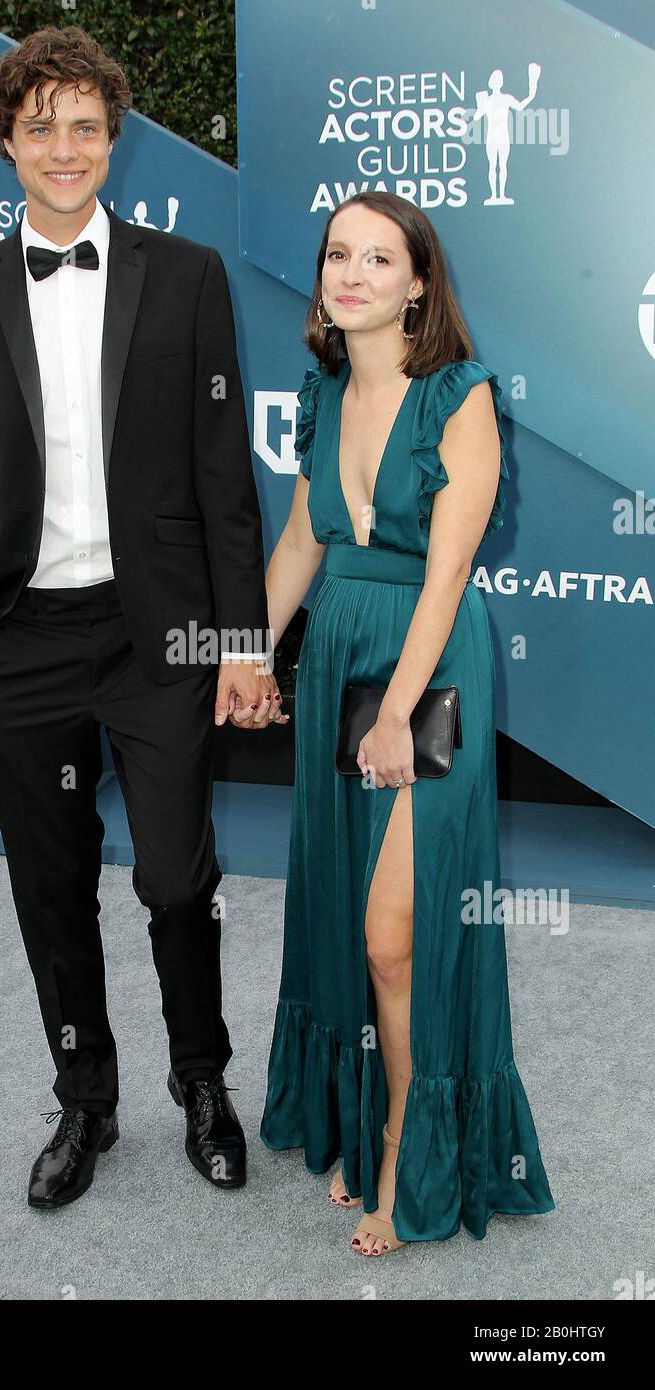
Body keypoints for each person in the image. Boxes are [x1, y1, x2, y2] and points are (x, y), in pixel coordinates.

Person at [0, 24, 285, 1209]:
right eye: (41, 127)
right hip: (23, 643)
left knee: (178, 877)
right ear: (7, 144)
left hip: (159, 633)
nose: (63, 148)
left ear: (113, 140)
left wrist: (238, 640)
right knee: (50, 888)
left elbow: (226, 474)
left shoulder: (185, 279)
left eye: (85, 125)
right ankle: (87, 1102)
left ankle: (204, 1083)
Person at [259, 191, 556, 1254]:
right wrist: (251, 645)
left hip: (424, 666)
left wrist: (396, 713)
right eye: (339, 253)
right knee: (345, 903)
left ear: (420, 282)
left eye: (379, 257)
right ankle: (362, 1111)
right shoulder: (325, 387)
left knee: (396, 934)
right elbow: (303, 538)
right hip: (339, 639)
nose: (351, 272)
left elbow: (448, 573)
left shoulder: (460, 395)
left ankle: (402, 1143)